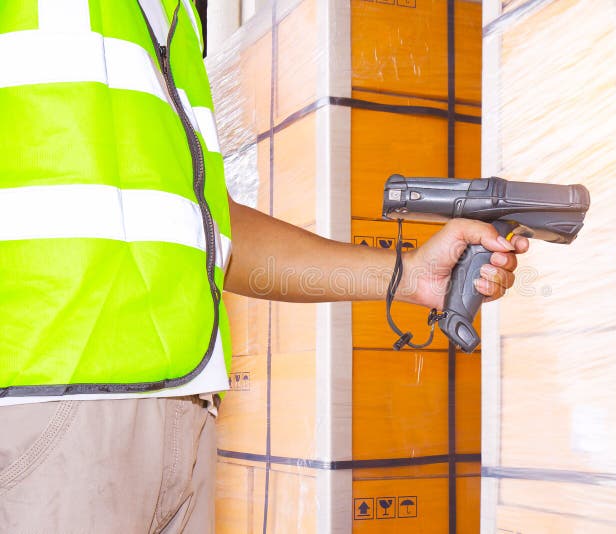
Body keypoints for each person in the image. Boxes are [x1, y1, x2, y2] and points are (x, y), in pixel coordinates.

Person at [0, 1, 528, 532]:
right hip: (47, 404)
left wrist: (407, 275)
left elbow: (214, 230)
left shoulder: (173, 19)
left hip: (185, 413)